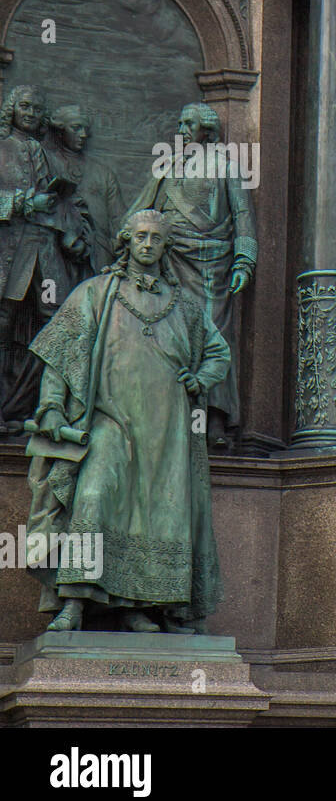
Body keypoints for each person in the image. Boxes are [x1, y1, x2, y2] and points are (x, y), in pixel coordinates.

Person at [25, 209, 229, 633]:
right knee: (94, 496)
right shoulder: (96, 293)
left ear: (165, 247)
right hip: (110, 421)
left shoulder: (185, 307)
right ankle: (74, 603)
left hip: (168, 431)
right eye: (141, 236)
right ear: (126, 241)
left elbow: (218, 352)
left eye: (156, 238)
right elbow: (62, 359)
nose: (149, 244)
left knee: (160, 516)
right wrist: (51, 407)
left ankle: (140, 607)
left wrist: (200, 379)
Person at [127, 101, 255, 449]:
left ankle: (214, 418)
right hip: (170, 262)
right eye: (181, 124)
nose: (181, 131)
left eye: (188, 125)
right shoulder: (167, 167)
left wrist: (244, 259)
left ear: (207, 131)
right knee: (169, 333)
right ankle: (168, 412)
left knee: (213, 337)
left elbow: (243, 216)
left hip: (213, 266)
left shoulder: (227, 168)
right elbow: (142, 210)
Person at [0, 85, 92, 430]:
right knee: (3, 324)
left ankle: (51, 406)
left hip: (45, 249)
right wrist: (24, 203)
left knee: (58, 321)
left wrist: (69, 229)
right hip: (11, 252)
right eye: (24, 106)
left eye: (37, 109)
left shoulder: (42, 151)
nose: (31, 113)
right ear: (12, 108)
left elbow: (61, 201)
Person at [43, 104, 126, 272]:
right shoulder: (45, 163)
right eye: (76, 128)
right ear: (60, 131)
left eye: (85, 129)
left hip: (99, 255)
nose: (83, 134)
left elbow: (119, 219)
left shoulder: (103, 173)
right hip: (56, 253)